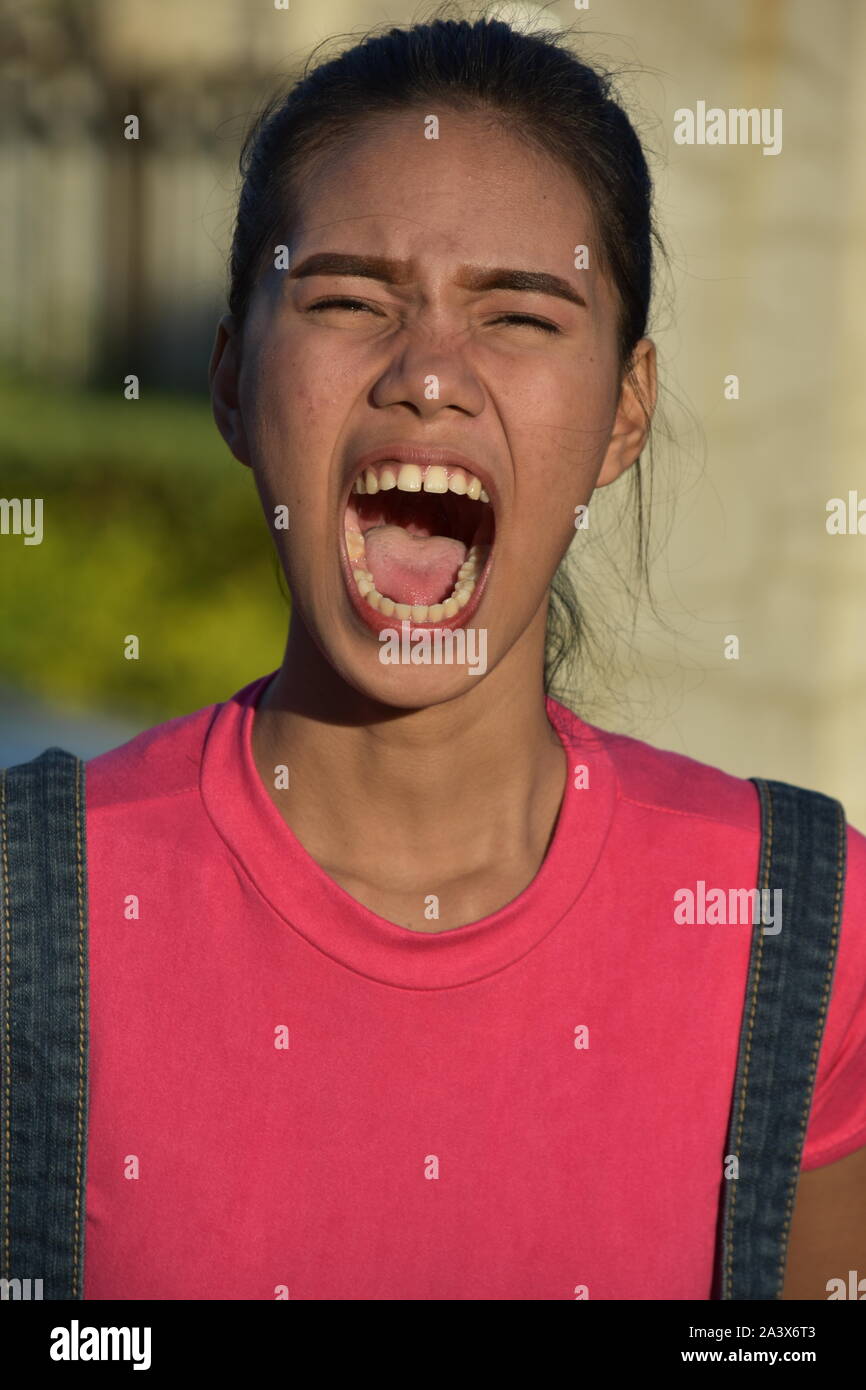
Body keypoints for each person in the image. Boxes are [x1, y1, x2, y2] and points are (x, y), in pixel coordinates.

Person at [8, 14, 866, 1301]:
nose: (427, 375)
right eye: (349, 300)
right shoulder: (31, 908)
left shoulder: (800, 927)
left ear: (624, 413)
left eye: (519, 315)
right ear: (234, 377)